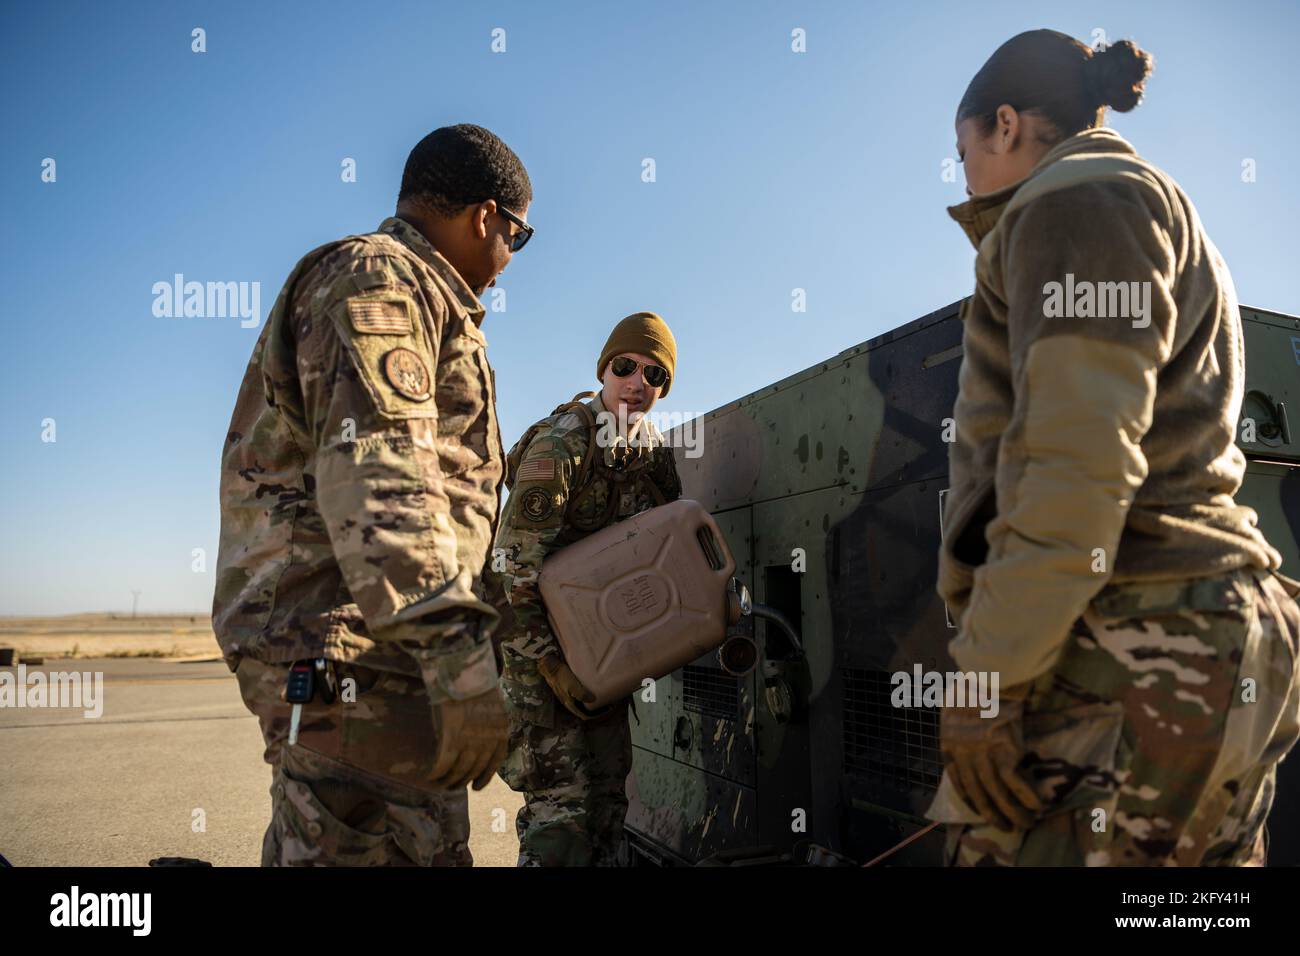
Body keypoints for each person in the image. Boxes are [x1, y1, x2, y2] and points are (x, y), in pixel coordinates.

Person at [929, 29, 1300, 866]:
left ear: (1006, 124)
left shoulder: (1075, 198)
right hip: (1197, 638)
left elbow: (1078, 462)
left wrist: (988, 677)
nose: (966, 181)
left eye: (963, 155)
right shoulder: (1146, 201)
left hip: (1124, 651)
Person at [212, 123, 534, 866]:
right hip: (353, 652)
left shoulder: (419, 296)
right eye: (517, 235)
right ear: (485, 217)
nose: (510, 259)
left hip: (382, 652)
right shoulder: (380, 280)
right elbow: (382, 479)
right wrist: (458, 657)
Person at [493, 312, 683, 865]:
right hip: (539, 664)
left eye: (654, 376)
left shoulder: (653, 457)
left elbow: (668, 555)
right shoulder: (563, 446)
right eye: (625, 367)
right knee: (562, 814)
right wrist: (552, 667)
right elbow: (511, 567)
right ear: (604, 368)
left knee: (605, 805)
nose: (637, 384)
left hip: (605, 662)